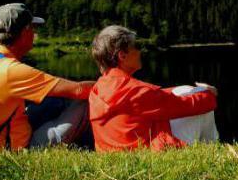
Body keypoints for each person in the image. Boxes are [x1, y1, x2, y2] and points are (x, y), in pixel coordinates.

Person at [0, 3, 95, 150]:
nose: (34, 33)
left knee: (56, 99)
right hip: (15, 147)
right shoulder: (11, 70)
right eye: (33, 28)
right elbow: (78, 90)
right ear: (25, 32)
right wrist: (114, 83)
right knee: (84, 103)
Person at [89, 25, 218, 152]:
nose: (140, 51)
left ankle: (209, 149)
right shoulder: (135, 91)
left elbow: (152, 97)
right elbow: (188, 105)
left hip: (113, 149)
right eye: (136, 46)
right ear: (122, 55)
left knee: (184, 89)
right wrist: (209, 93)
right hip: (146, 151)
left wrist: (181, 89)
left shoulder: (98, 88)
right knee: (201, 97)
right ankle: (211, 148)